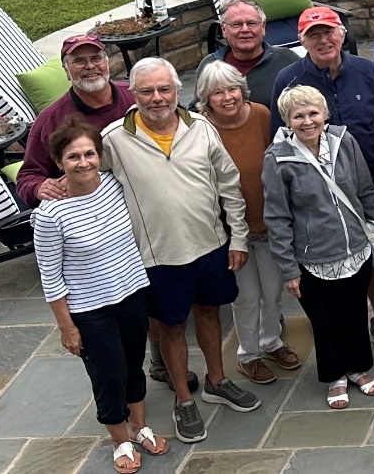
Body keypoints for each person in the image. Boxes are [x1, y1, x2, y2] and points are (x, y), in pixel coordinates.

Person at [101, 58, 259, 444]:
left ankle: (217, 381)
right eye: (147, 91)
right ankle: (184, 400)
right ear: (133, 95)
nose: (157, 98)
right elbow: (92, 184)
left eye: (164, 89)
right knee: (172, 327)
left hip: (210, 245)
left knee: (210, 313)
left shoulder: (201, 127)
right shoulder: (113, 140)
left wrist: (238, 237)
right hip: (157, 256)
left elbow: (229, 183)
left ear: (177, 90)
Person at [273, 7, 374, 358]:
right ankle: (342, 336)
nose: (323, 40)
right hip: (317, 198)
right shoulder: (288, 80)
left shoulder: (367, 71)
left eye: (329, 32)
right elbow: (280, 142)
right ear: (302, 40)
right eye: (314, 35)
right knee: (331, 267)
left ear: (342, 34)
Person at [34, 118, 167, 473]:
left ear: (99, 155)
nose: (83, 163)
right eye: (73, 156)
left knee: (134, 364)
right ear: (59, 162)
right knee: (108, 375)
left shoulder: (115, 185)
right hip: (90, 310)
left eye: (89, 154)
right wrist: (67, 327)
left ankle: (139, 426)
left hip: (132, 293)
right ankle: (118, 438)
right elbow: (50, 276)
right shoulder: (50, 214)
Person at [262, 86, 374, 408]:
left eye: (313, 113)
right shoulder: (277, 158)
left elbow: (366, 191)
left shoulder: (344, 141)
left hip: (355, 249)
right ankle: (335, 376)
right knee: (324, 321)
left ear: (325, 114)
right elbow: (277, 217)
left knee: (354, 311)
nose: (308, 121)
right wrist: (288, 269)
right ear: (287, 121)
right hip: (313, 257)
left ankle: (358, 368)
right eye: (298, 116)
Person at [198, 61, 299, 386]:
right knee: (246, 297)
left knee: (272, 291)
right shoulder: (200, 128)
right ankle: (248, 354)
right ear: (206, 98)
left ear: (242, 90)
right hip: (230, 230)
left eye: (232, 89)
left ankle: (271, 341)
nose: (227, 97)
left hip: (268, 222)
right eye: (218, 93)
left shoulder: (261, 115)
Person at [18, 33, 134, 207]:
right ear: (66, 71)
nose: (90, 66)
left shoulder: (136, 95)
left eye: (96, 58)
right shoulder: (50, 121)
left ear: (107, 62)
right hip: (93, 209)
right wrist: (38, 187)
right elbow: (27, 177)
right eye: (79, 61)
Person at [195, 0, 299, 111]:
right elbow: (197, 109)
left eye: (251, 23)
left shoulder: (287, 60)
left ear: (263, 27)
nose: (245, 29)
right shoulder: (209, 65)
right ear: (224, 30)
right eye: (236, 24)